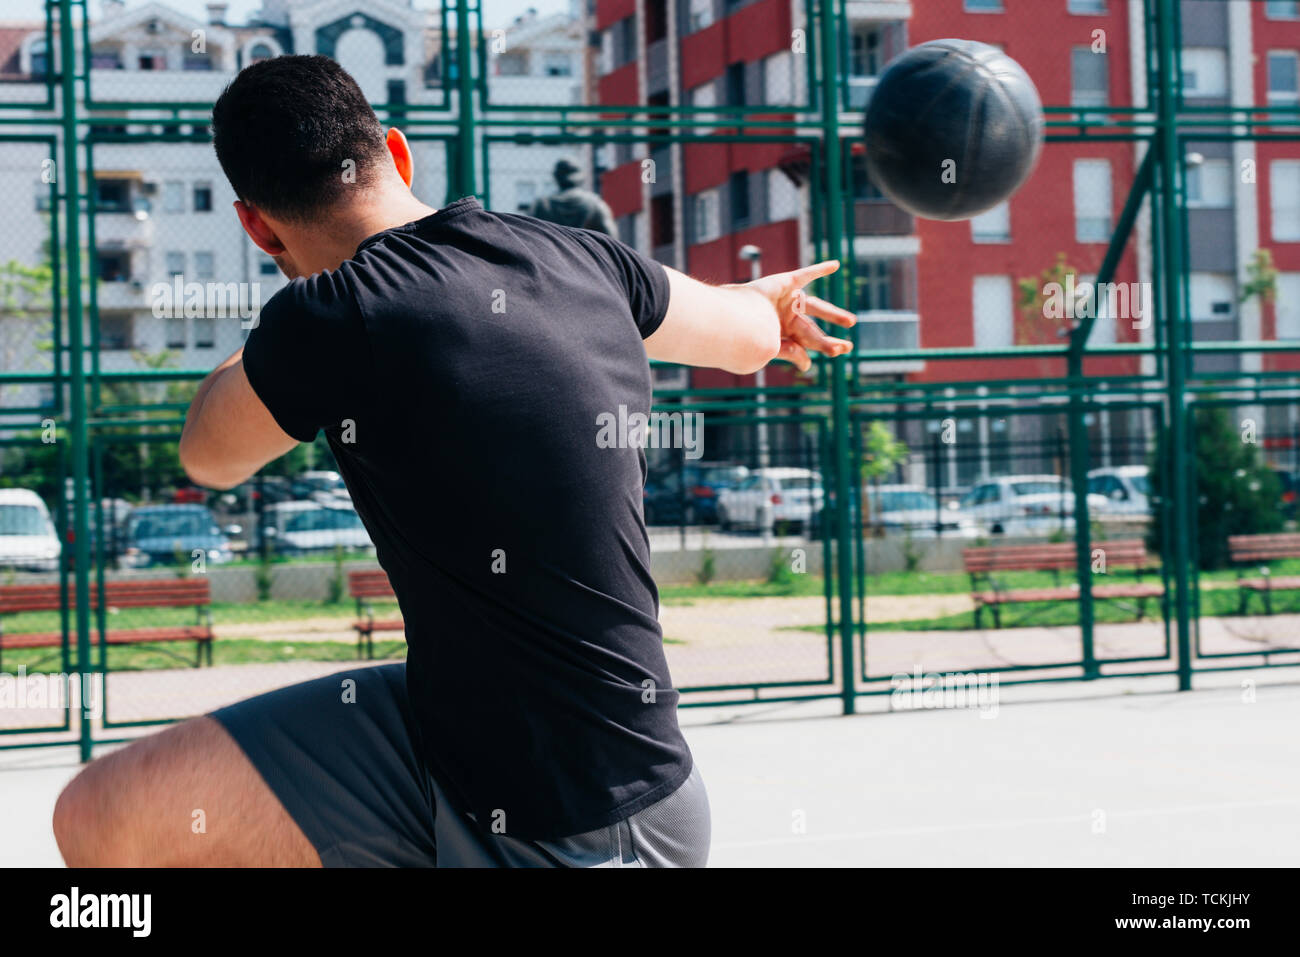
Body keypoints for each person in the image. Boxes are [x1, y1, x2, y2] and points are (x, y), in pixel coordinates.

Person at [51, 55, 855, 868]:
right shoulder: (585, 258)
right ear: (398, 154)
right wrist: (771, 303)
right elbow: (751, 335)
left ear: (255, 225)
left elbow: (208, 455)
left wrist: (290, 317)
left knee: (104, 820)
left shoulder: (325, 318)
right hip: (451, 737)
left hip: (580, 819)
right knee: (109, 811)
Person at [529, 158, 618, 235]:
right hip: (584, 253)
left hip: (549, 253)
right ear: (582, 176)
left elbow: (528, 236)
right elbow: (612, 238)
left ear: (556, 176)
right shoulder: (595, 204)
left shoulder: (542, 205)